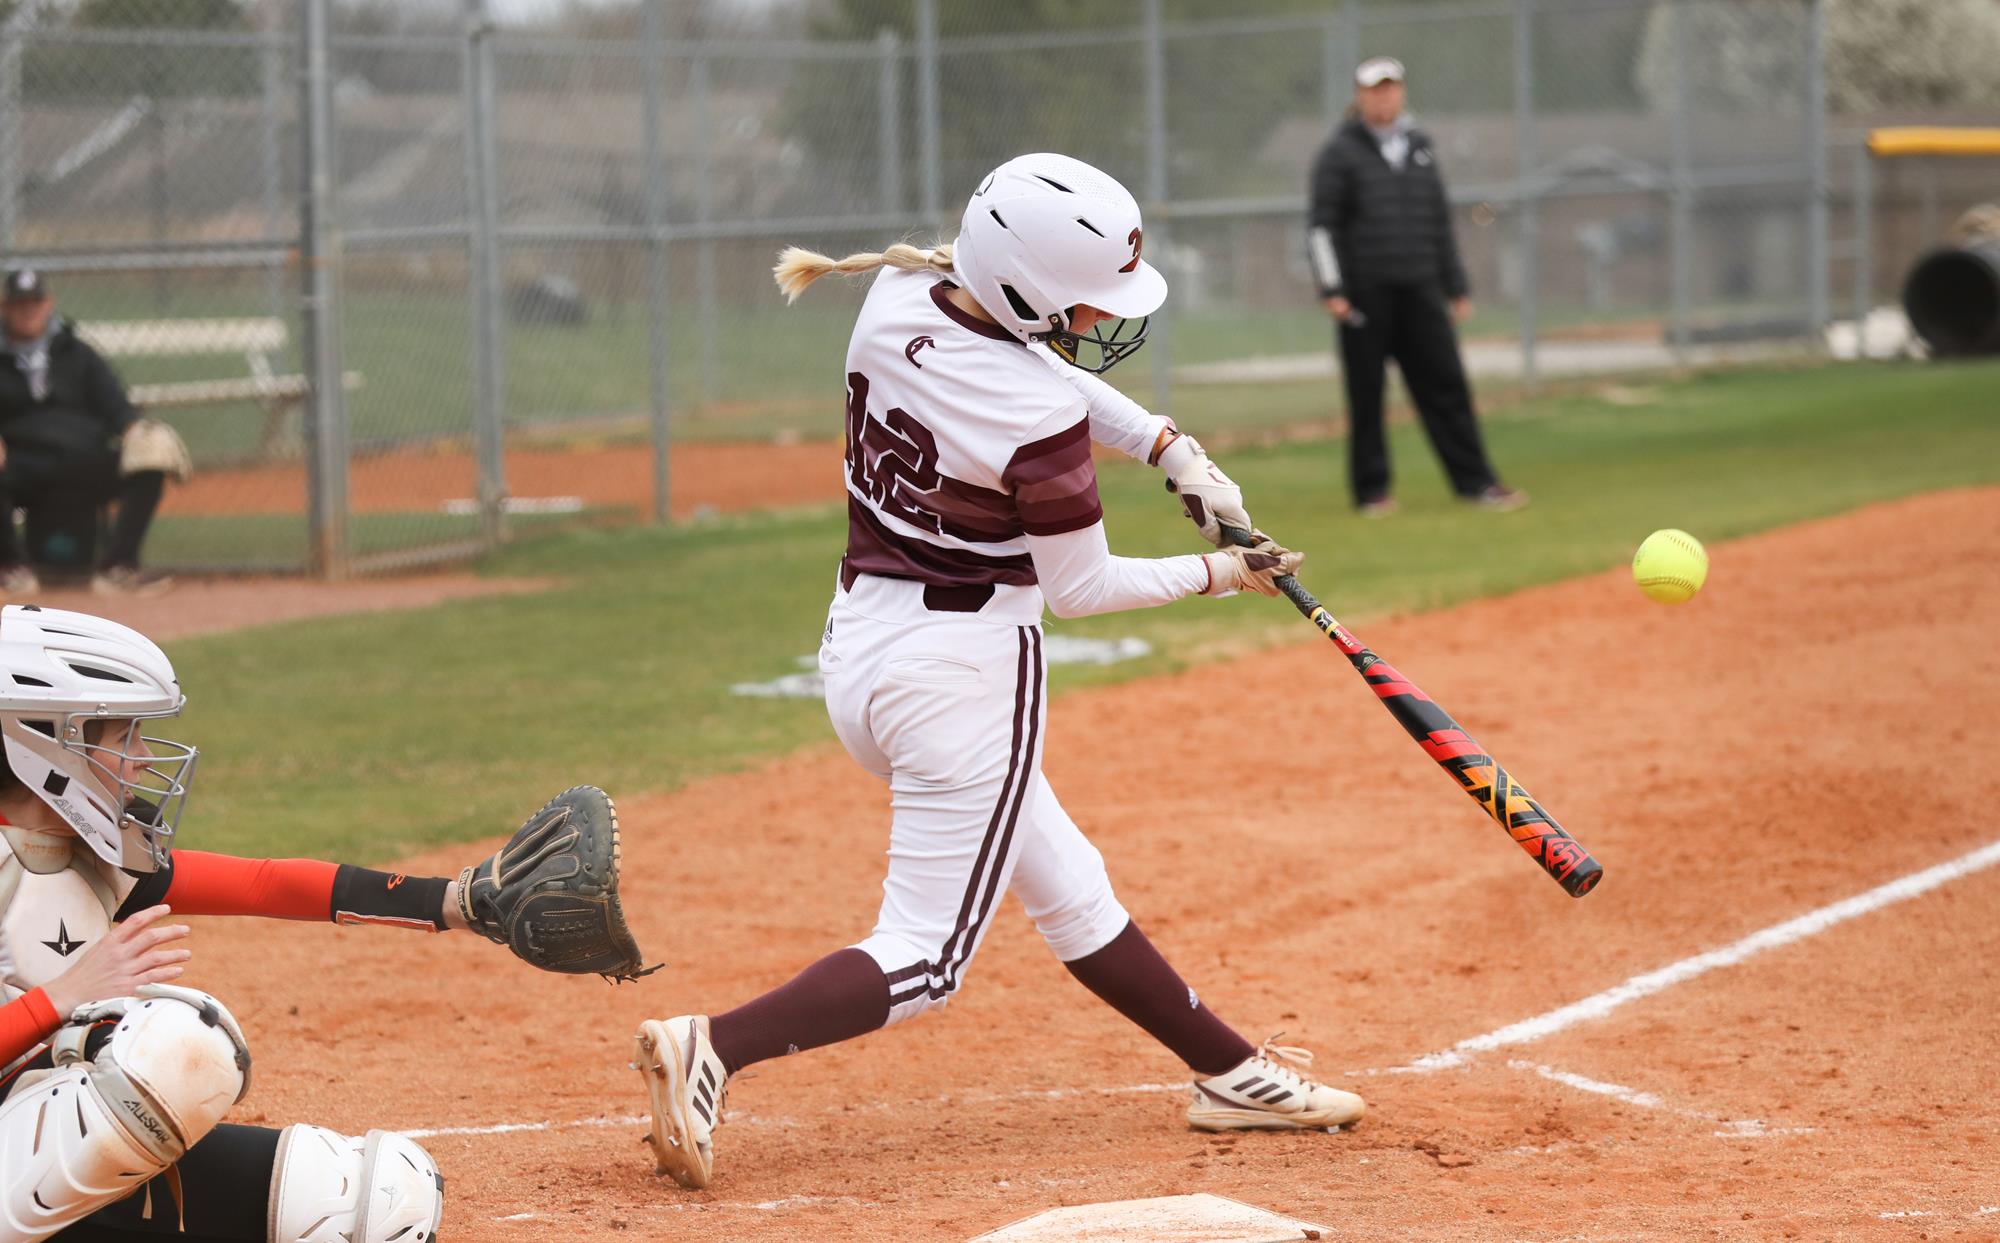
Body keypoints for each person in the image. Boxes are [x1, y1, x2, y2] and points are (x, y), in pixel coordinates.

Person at [631, 152, 1366, 1192]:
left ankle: (1230, 1071)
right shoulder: (1037, 422)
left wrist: (1167, 445)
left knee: (1068, 881)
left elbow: (1030, 371)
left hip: (862, 648)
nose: (1097, 319)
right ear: (1024, 287)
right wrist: (1220, 572)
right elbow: (1081, 587)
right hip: (964, 678)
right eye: (1083, 299)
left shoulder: (896, 296)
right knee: (926, 956)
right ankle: (713, 1044)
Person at [0, 603, 477, 1242]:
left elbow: (263, 882)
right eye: (125, 737)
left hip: (54, 1149)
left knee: (375, 1198)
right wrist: (61, 996)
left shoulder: (87, 858)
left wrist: (455, 902)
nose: (144, 758)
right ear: (47, 743)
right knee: (167, 1054)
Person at [1308, 56, 1526, 517]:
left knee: (1448, 387)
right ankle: (1372, 492)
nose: (1384, 96)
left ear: (1401, 92)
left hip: (1421, 290)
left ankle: (1477, 482)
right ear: (1360, 96)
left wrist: (1455, 284)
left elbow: (1438, 223)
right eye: (1375, 89)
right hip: (1365, 296)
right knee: (1367, 396)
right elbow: (1322, 228)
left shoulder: (1420, 148)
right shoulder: (1340, 154)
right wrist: (1333, 289)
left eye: (1391, 87)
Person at [0, 270, 178, 597]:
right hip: (22, 464)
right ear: (4, 307)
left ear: (48, 304)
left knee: (149, 459)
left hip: (83, 459)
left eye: (34, 303)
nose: (28, 311)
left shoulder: (77, 352)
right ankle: (10, 568)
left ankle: (118, 567)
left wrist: (135, 430)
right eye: (19, 304)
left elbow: (116, 406)